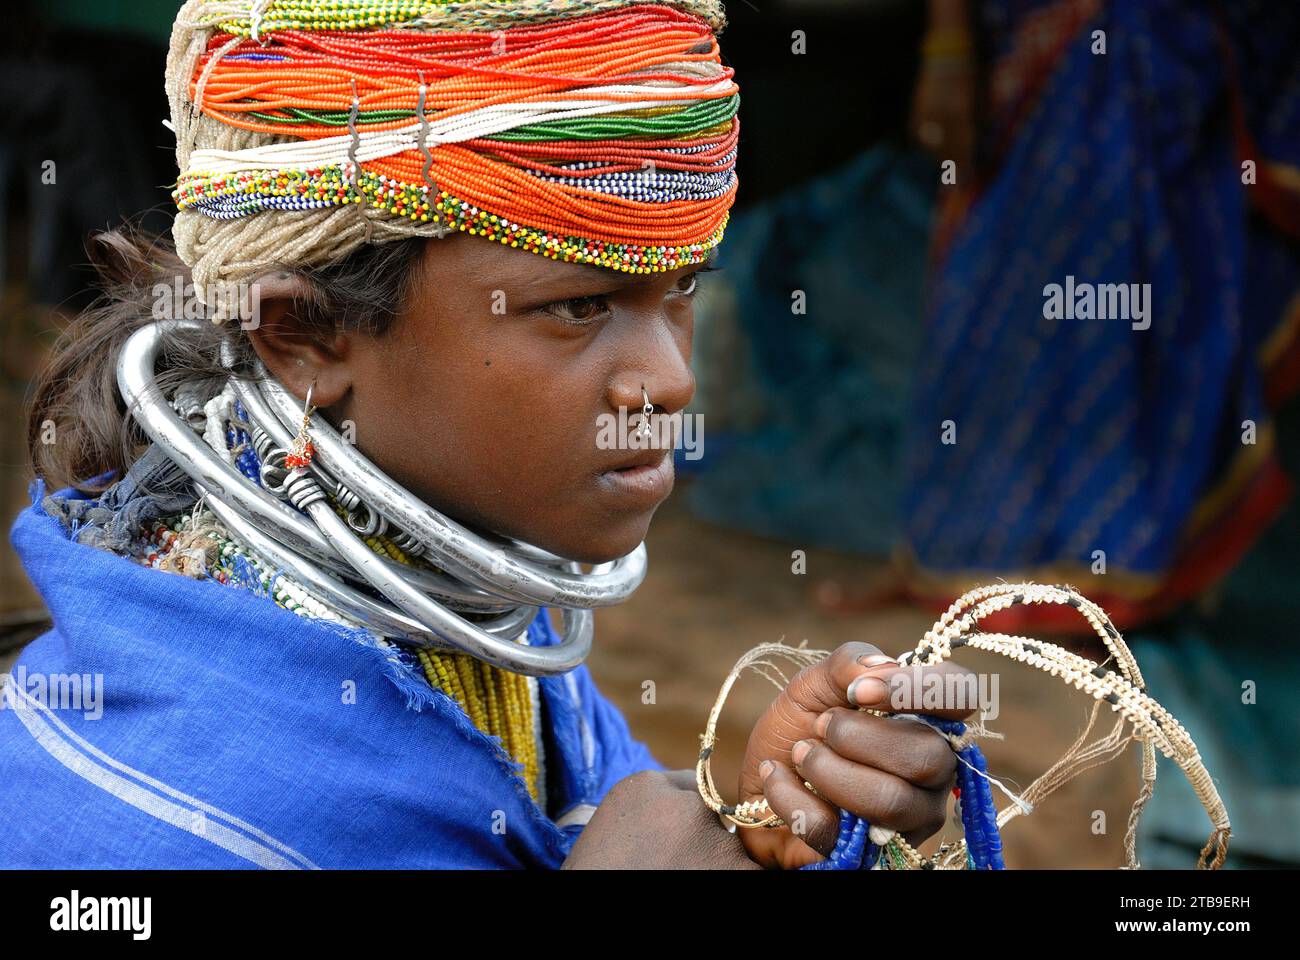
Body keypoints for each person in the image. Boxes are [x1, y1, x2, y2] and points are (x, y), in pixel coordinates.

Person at [0, 0, 970, 869]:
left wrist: (761, 809)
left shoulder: (464, 594)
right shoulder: (161, 821)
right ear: (301, 337)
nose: (670, 378)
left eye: (683, 290)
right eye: (581, 305)